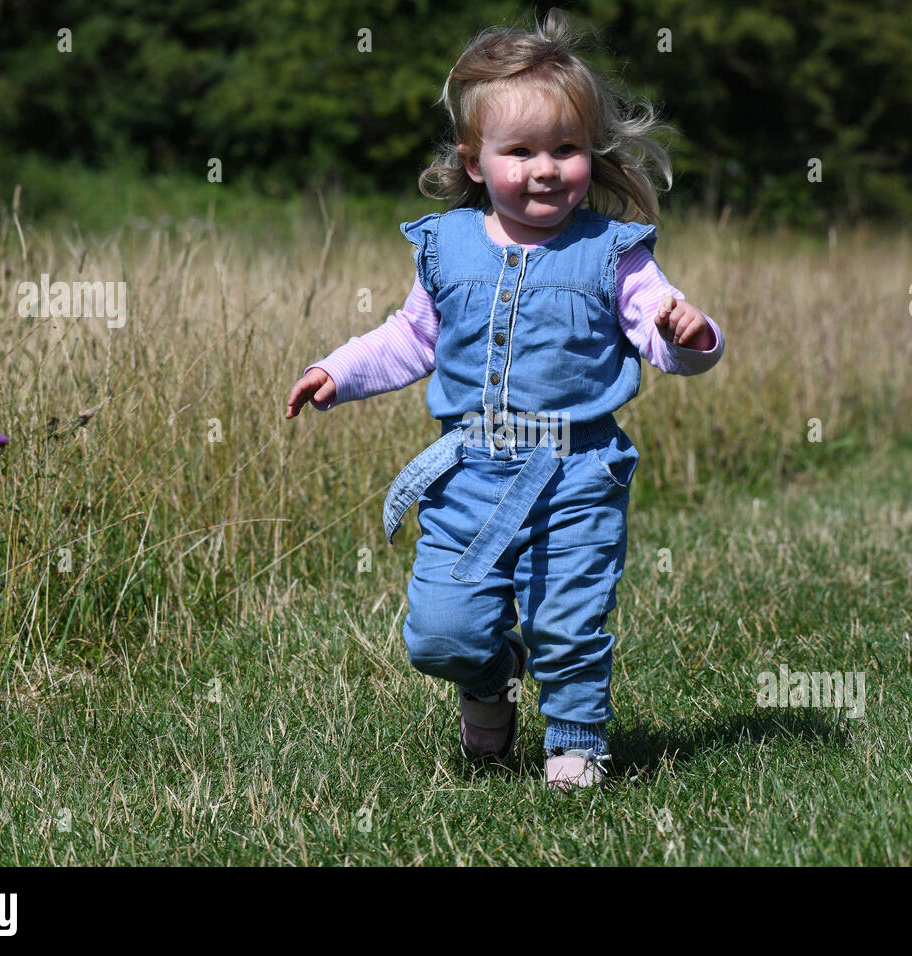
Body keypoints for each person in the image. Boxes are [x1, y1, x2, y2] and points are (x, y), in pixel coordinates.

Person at [286, 9, 723, 791]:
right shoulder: (447, 245)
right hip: (469, 472)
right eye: (520, 152)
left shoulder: (612, 253)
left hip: (577, 474)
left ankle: (577, 745)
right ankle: (491, 678)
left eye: (566, 149)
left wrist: (687, 336)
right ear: (476, 161)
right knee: (441, 633)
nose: (546, 169)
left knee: (568, 617)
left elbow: (660, 335)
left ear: (591, 153)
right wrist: (337, 373)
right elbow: (410, 339)